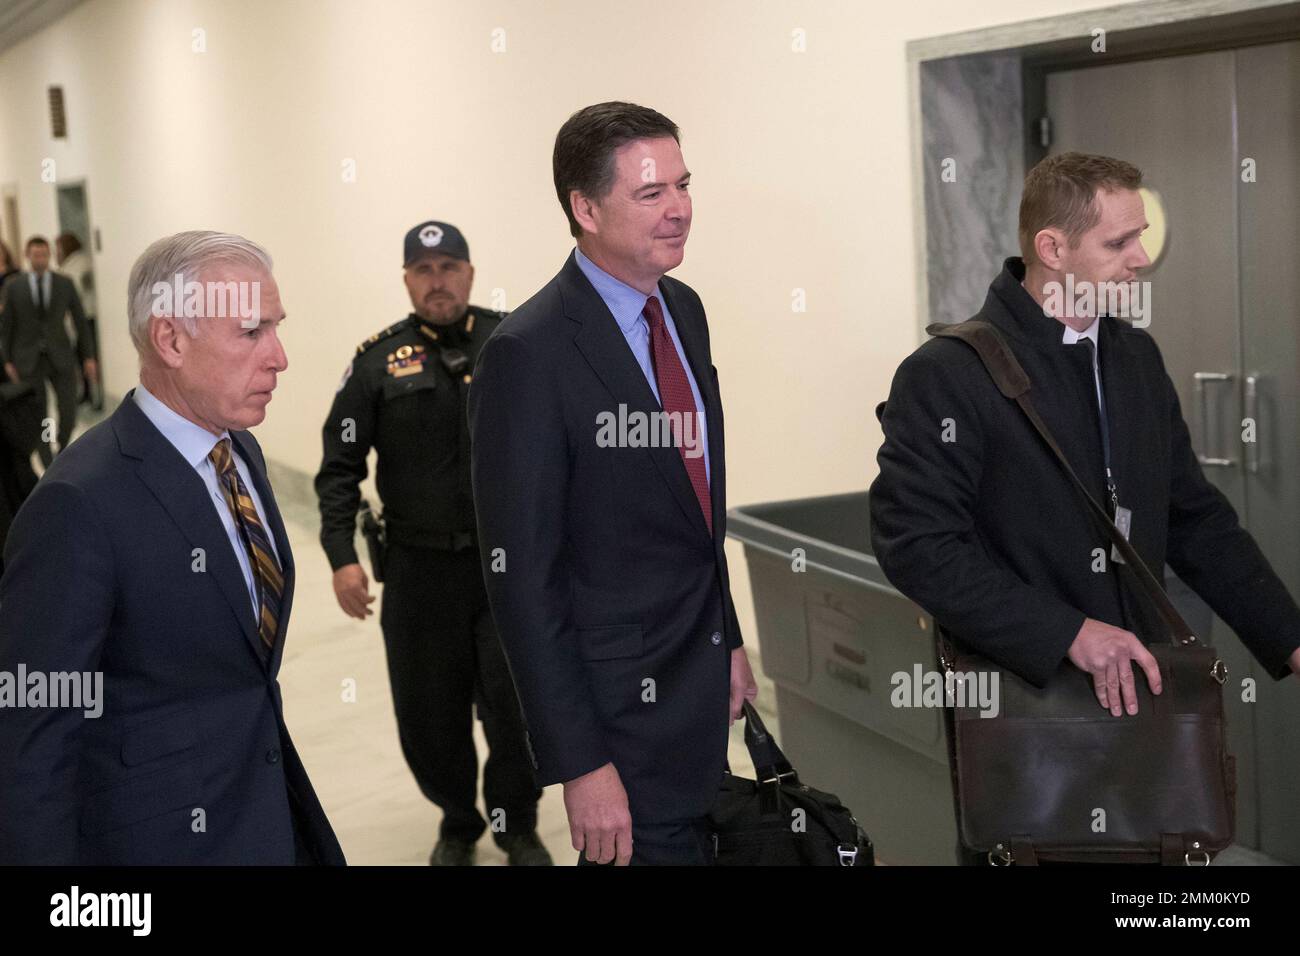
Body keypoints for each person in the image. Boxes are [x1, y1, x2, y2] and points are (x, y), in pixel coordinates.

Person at [868, 152, 1300, 864]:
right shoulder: (946, 375)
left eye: (1142, 237)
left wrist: (1288, 637)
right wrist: (1068, 632)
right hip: (1029, 716)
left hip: (1143, 709)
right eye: (1119, 243)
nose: (1140, 260)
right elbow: (916, 546)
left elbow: (1195, 518)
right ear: (1052, 248)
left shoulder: (1136, 358)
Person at [469, 101, 758, 866]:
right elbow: (522, 579)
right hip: (616, 711)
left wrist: (724, 634)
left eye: (684, 185)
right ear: (585, 208)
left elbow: (694, 508)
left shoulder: (685, 312)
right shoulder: (527, 353)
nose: (681, 209)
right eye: (652, 193)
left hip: (697, 678)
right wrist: (579, 763)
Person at [0, 230, 345, 865]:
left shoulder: (239, 451)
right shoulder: (78, 503)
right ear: (171, 340)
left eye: (277, 327)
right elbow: (33, 735)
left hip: (264, 816)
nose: (279, 357)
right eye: (251, 333)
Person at [314, 221, 549, 866]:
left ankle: (516, 823)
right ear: (407, 280)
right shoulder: (375, 362)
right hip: (418, 572)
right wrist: (341, 558)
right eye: (424, 269)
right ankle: (457, 818)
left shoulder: (515, 342)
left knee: (517, 707)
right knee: (429, 711)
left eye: (449, 267)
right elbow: (339, 468)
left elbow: (565, 448)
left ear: (470, 274)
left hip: (508, 568)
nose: (437, 280)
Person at [0, 236, 96, 465]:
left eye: (44, 255)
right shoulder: (15, 286)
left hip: (60, 356)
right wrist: (7, 361)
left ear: (50, 255)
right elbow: (7, 327)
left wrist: (89, 357)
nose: (40, 259)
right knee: (40, 413)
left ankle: (62, 448)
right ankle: (47, 459)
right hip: (27, 359)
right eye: (36, 255)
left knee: (68, 411)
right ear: (27, 255)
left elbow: (80, 321)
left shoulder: (64, 283)